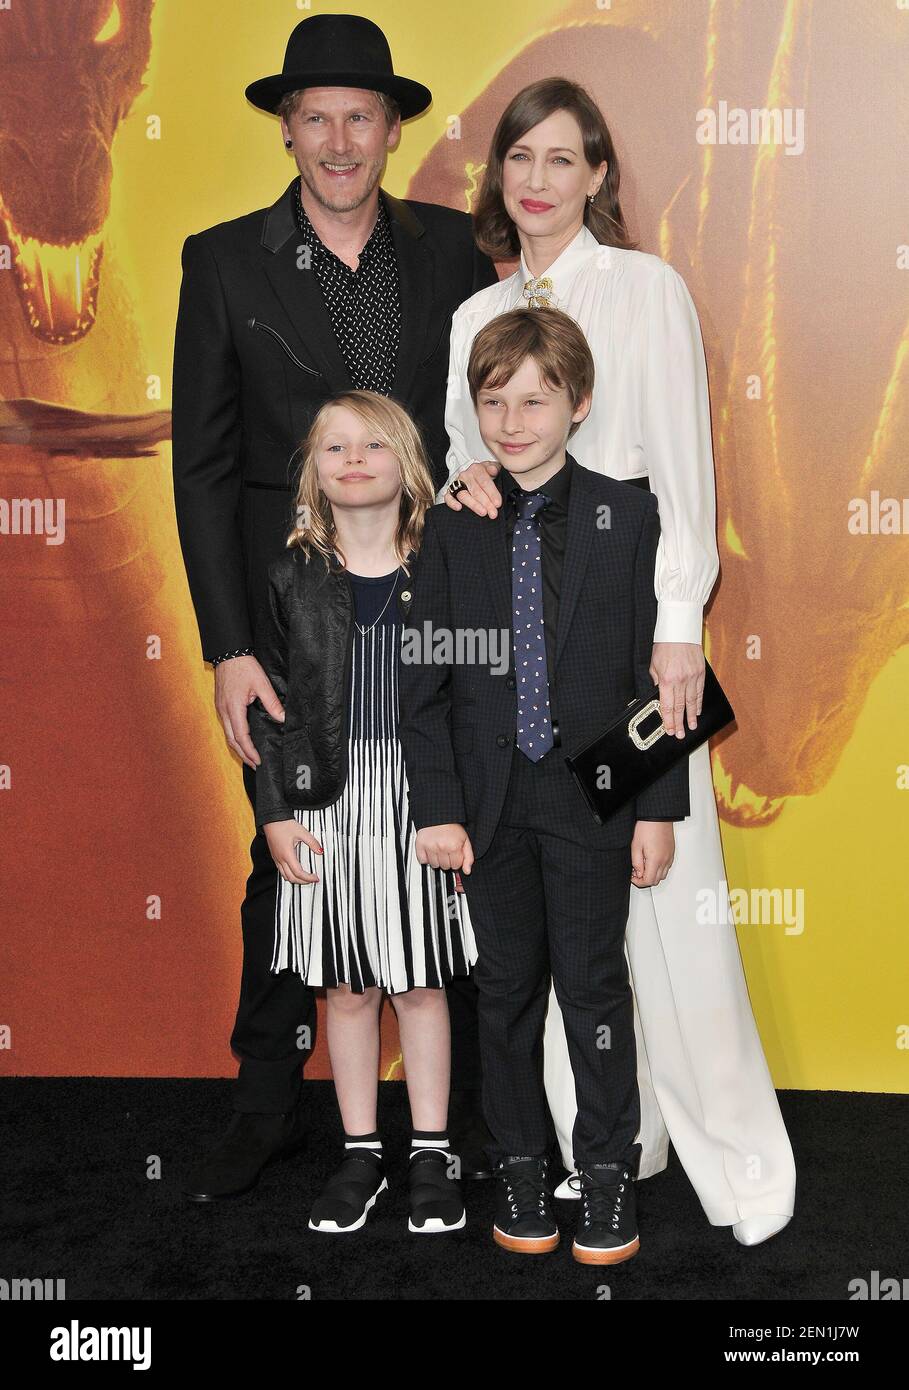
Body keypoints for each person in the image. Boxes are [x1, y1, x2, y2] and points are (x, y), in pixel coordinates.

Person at [440, 78, 796, 1244]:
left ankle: (740, 1168)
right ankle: (605, 1153)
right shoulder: (473, 315)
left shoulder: (648, 290)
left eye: (561, 159)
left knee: (672, 903)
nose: (536, 180)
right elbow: (462, 469)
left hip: (638, 656)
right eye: (518, 159)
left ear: (599, 175)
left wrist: (680, 625)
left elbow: (681, 468)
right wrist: (467, 477)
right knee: (555, 938)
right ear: (497, 179)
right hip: (522, 668)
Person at [172, 14, 497, 1202]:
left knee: (443, 842)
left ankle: (452, 1129)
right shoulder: (223, 260)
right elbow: (203, 467)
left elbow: (489, 415)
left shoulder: (458, 250)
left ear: (394, 128)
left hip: (430, 613)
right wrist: (226, 647)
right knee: (291, 860)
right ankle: (267, 1105)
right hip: (287, 627)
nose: (340, 139)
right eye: (316, 116)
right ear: (287, 128)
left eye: (362, 115)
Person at [399, 305, 691, 1262]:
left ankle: (606, 1176)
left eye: (535, 399)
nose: (513, 420)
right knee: (506, 990)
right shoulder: (454, 526)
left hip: (592, 796)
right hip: (488, 806)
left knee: (596, 989)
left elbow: (654, 679)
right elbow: (424, 681)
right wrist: (436, 807)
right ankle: (520, 1166)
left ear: (579, 403)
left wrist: (656, 809)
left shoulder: (629, 515)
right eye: (494, 401)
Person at [248, 390, 474, 1234]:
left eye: (373, 445)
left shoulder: (443, 570)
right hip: (325, 808)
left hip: (423, 804)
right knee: (345, 987)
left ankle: (430, 1151)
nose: (352, 459)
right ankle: (358, 1153)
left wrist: (458, 808)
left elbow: (471, 691)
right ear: (313, 471)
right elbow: (269, 711)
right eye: (334, 447)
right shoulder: (288, 579)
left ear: (408, 466)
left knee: (417, 982)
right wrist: (274, 812)